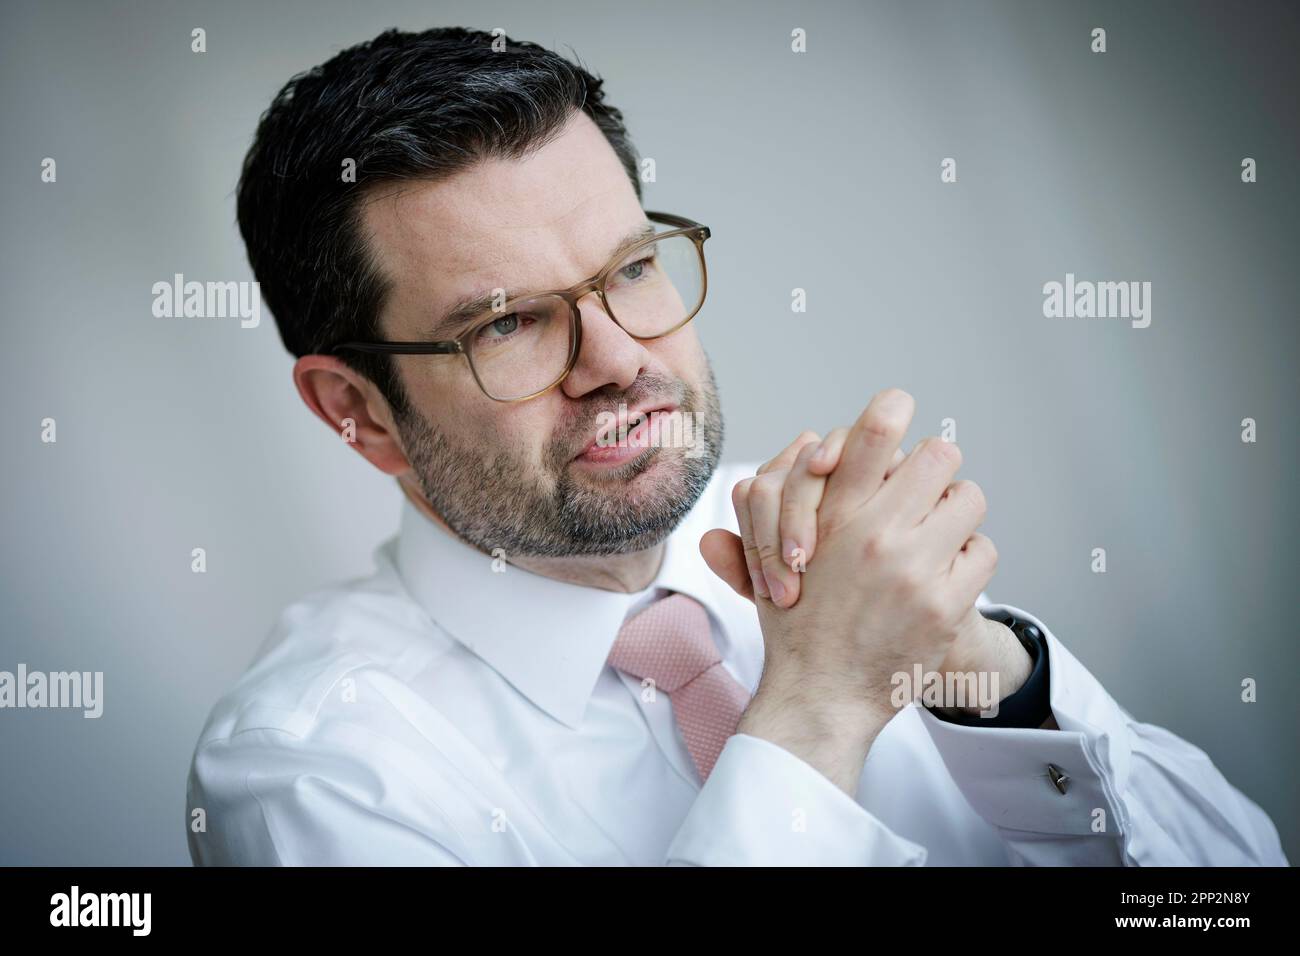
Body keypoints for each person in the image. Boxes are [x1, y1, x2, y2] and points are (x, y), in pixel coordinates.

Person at [186, 27, 1286, 866]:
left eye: (628, 269)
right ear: (358, 410)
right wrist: (815, 712)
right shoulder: (314, 767)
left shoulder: (837, 554)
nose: (618, 358)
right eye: (506, 323)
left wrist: (994, 684)